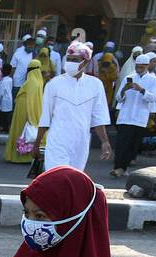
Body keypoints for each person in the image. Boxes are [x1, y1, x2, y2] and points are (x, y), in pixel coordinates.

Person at [36, 41, 112, 172]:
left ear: (86, 62)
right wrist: (36, 144)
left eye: (75, 60)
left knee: (73, 181)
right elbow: (45, 118)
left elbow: (98, 117)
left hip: (81, 143)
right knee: (57, 178)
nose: (70, 63)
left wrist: (105, 141)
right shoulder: (53, 84)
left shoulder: (95, 85)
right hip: (57, 141)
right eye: (68, 59)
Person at [111, 53, 156, 176]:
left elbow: (153, 98)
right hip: (125, 116)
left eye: (142, 67)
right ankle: (118, 168)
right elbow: (119, 98)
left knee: (133, 145)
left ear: (147, 66)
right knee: (121, 143)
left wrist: (142, 90)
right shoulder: (129, 77)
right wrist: (124, 90)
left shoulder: (153, 80)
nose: (139, 70)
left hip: (140, 117)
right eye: (137, 67)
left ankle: (124, 167)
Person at [4, 60, 44, 163]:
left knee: (21, 132)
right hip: (26, 111)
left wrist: (31, 118)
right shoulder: (37, 82)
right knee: (24, 134)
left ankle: (19, 157)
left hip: (25, 112)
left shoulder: (32, 82)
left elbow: (31, 101)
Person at [0, 56, 16, 132]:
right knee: (6, 117)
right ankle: (5, 128)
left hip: (3, 103)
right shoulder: (10, 80)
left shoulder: (2, 82)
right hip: (9, 101)